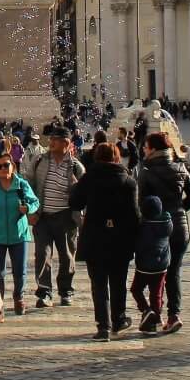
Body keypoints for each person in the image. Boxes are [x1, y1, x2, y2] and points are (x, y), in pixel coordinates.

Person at [71, 141, 138, 340]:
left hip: (95, 236)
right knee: (118, 282)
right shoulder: (128, 180)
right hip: (120, 238)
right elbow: (135, 214)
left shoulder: (88, 178)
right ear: (117, 157)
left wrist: (76, 188)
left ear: (96, 157)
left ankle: (103, 327)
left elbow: (75, 203)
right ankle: (118, 319)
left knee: (98, 284)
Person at [137, 129, 190, 332]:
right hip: (180, 225)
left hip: (156, 229)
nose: (144, 151)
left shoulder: (145, 172)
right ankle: (174, 315)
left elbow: (141, 204)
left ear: (153, 149)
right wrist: (179, 210)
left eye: (146, 147)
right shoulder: (180, 167)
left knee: (155, 272)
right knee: (174, 272)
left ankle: (153, 313)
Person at [22, 121, 83, 309]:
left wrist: (75, 189)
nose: (51, 142)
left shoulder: (76, 166)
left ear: (66, 143)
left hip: (66, 216)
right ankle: (44, 292)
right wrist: (30, 210)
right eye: (51, 139)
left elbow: (83, 194)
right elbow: (28, 184)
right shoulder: (39, 159)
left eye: (55, 140)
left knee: (67, 256)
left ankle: (66, 291)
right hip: (43, 216)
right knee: (42, 255)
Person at [0, 149, 39, 321]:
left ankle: (19, 297)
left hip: (18, 234)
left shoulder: (21, 185)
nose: (4, 169)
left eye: (7, 165)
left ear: (13, 166)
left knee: (20, 271)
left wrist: (27, 208)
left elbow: (35, 201)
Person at [131, 194, 172, 335]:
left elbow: (136, 243)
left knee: (136, 289)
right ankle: (156, 317)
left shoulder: (143, 226)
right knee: (156, 293)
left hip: (144, 266)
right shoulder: (167, 223)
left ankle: (147, 311)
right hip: (162, 266)